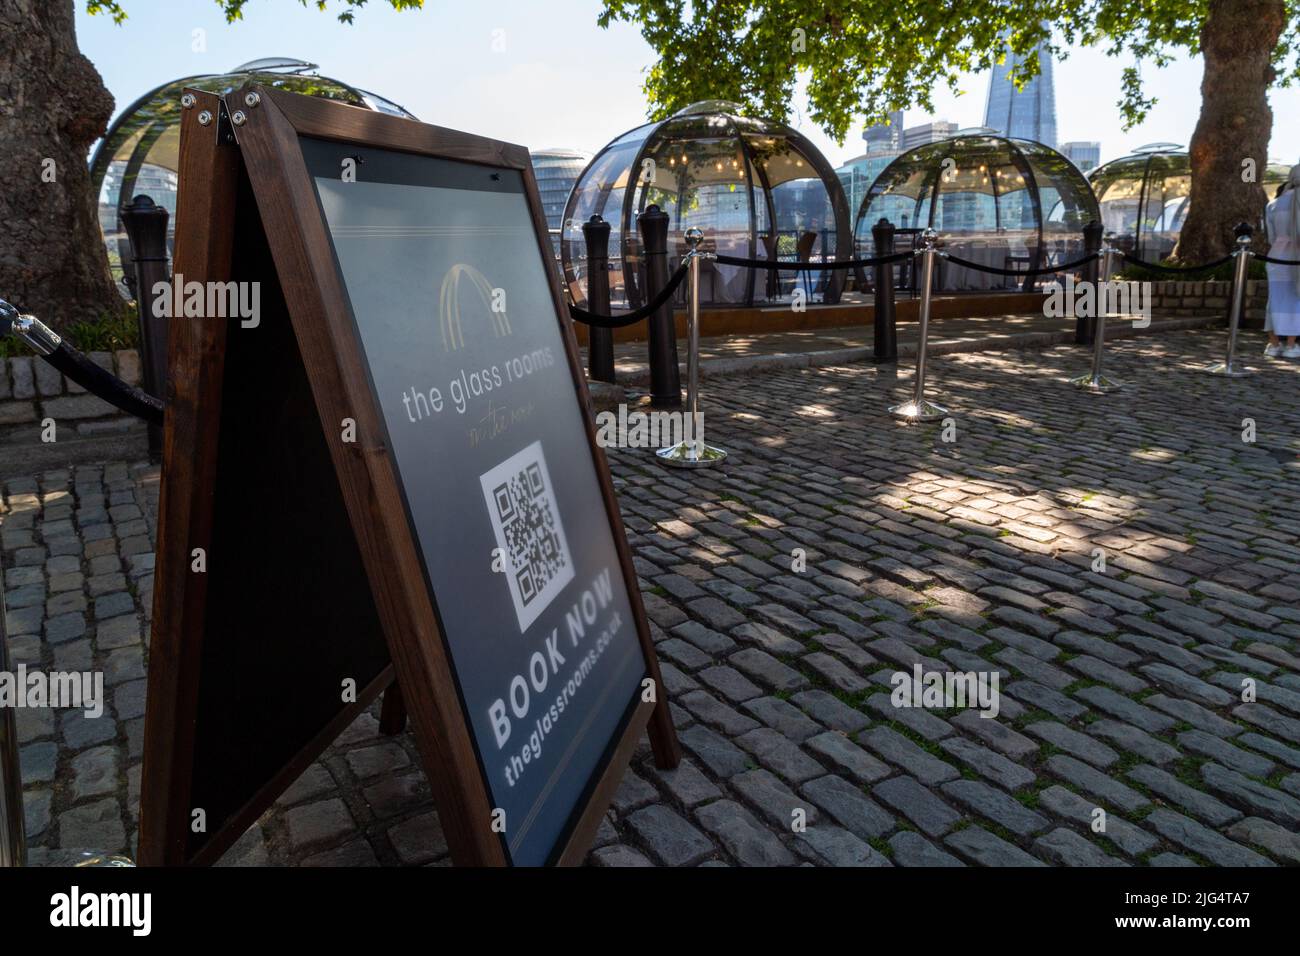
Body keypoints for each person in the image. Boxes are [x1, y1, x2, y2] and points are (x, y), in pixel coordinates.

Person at [1264, 166, 1300, 358]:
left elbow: (1271, 237)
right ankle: (1291, 346)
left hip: (1276, 256)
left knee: (1274, 300)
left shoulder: (1273, 204)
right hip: (1296, 257)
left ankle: (1273, 344)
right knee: (1295, 300)